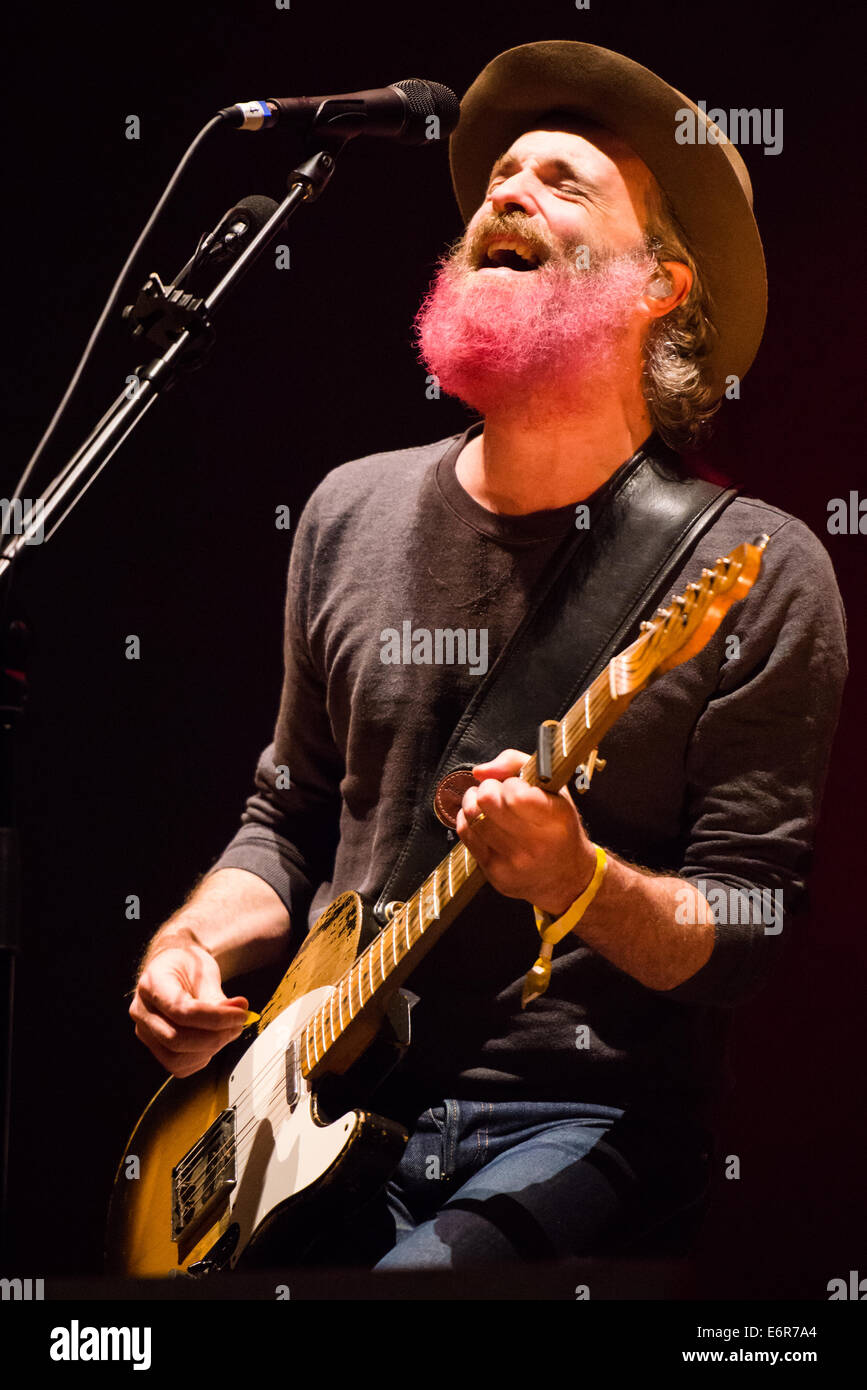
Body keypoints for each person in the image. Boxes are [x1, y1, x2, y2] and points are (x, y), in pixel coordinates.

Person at [128, 42, 848, 1271]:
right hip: (313, 1107)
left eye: (564, 184)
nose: (506, 192)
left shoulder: (758, 570)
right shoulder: (346, 511)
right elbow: (289, 816)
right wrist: (188, 943)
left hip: (575, 1119)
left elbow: (748, 922)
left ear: (660, 285)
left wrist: (579, 878)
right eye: (498, 178)